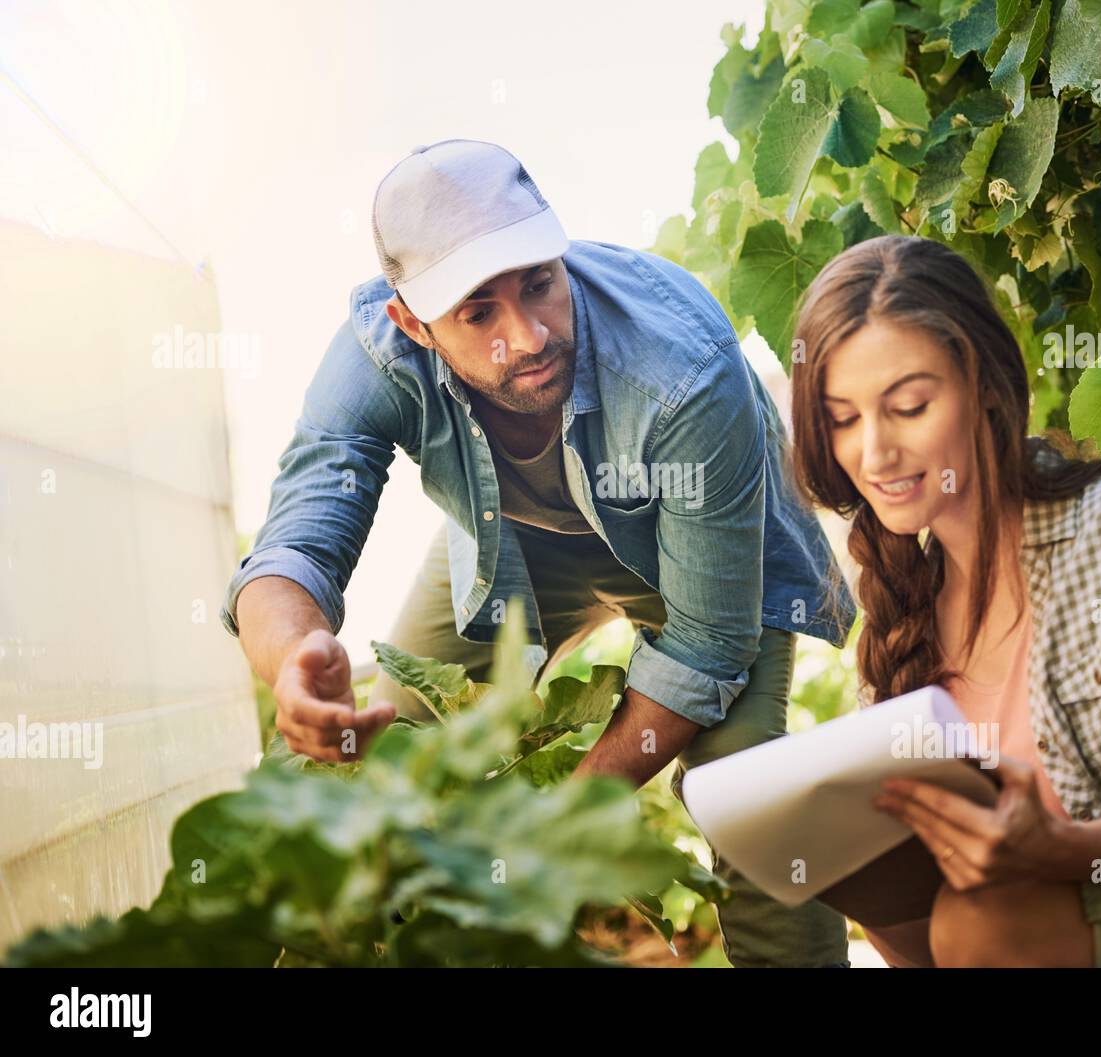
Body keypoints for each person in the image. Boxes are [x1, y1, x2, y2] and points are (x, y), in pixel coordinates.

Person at [220, 138, 856, 967]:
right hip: (515, 549)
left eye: (539, 284)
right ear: (413, 322)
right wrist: (294, 654)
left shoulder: (683, 368)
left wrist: (553, 833)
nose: (527, 336)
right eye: (478, 313)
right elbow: (293, 548)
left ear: (559, 250)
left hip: (706, 552)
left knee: (748, 803)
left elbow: (707, 647)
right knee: (332, 763)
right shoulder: (376, 357)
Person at [788, 233, 1101, 968]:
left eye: (908, 405)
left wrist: (1055, 848)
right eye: (842, 418)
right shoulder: (904, 620)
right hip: (1038, 940)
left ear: (986, 386)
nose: (874, 453)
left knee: (979, 920)